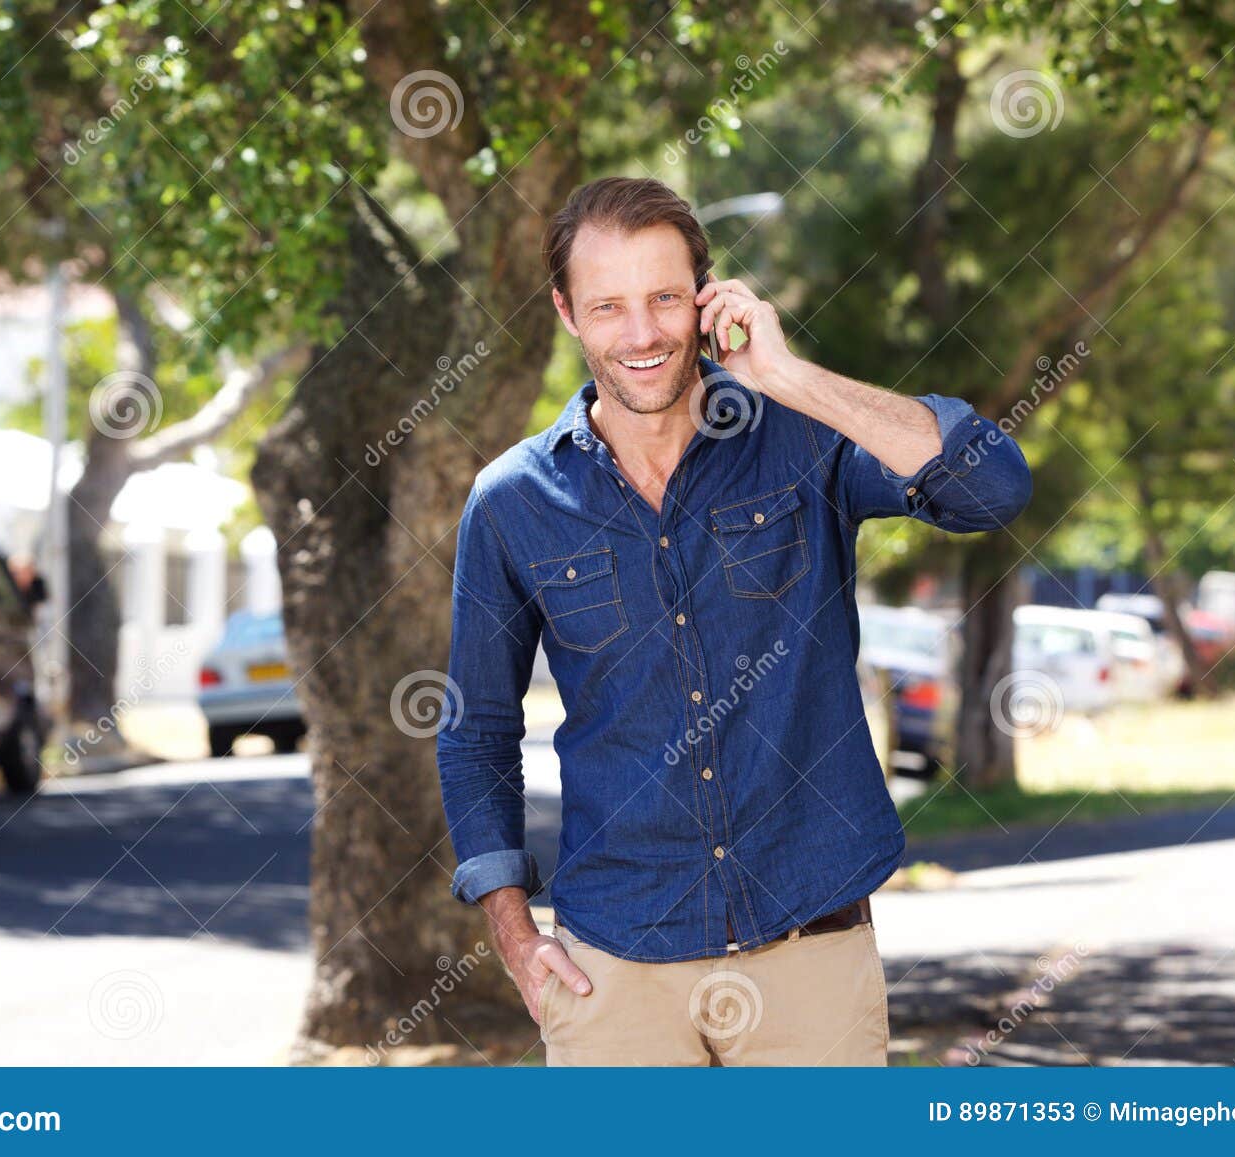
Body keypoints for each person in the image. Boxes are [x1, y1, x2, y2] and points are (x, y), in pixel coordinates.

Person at [436, 176, 1033, 1066]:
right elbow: (476, 728)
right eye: (608, 306)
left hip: (810, 951)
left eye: (665, 298)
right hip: (615, 970)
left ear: (708, 298)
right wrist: (516, 936)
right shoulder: (515, 501)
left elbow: (991, 487)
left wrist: (788, 377)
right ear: (566, 312)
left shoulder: (802, 438)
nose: (641, 334)